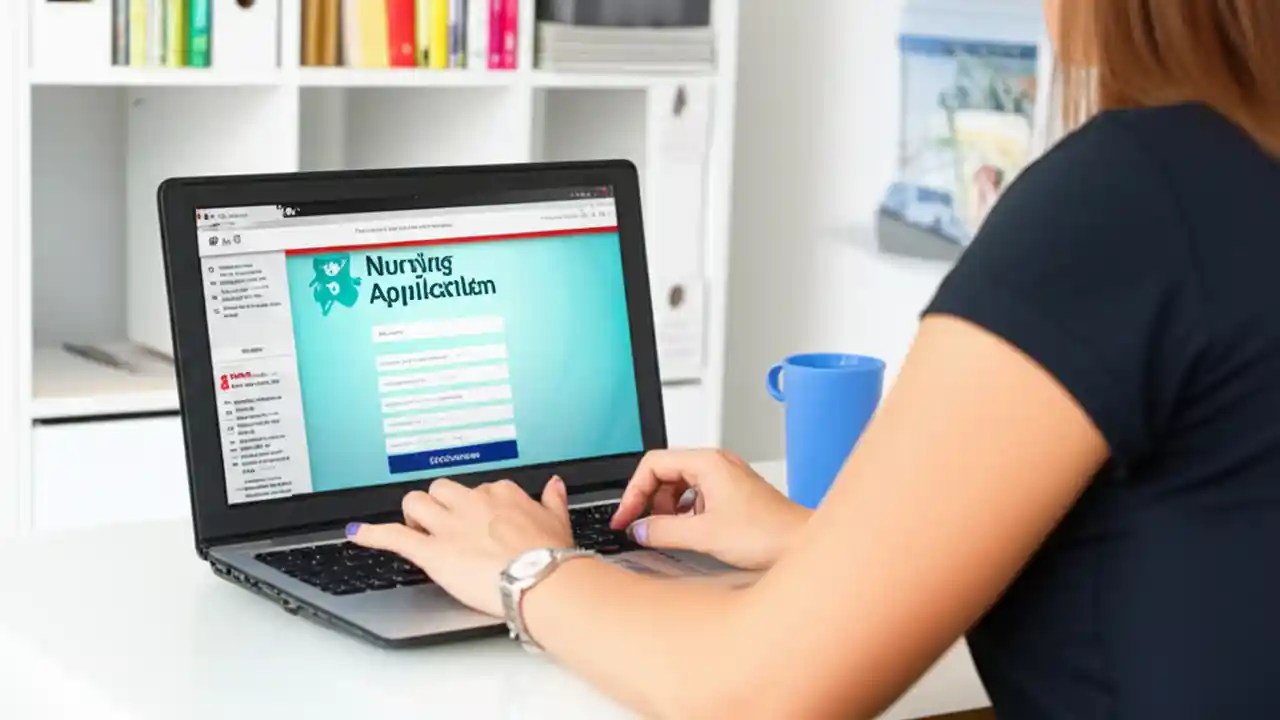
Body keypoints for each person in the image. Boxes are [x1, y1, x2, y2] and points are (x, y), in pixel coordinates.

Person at [348, 1, 1280, 717]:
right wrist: (822, 546)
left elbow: (760, 693)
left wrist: (528, 572)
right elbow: (1214, 560)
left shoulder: (1134, 199)